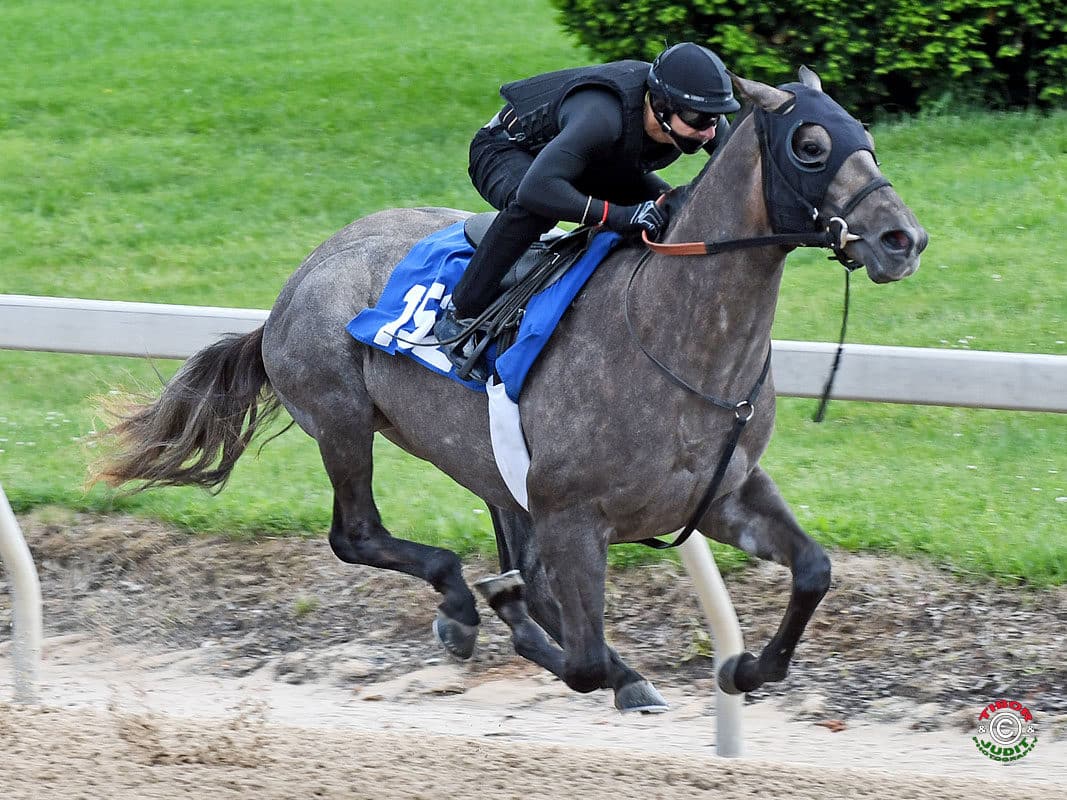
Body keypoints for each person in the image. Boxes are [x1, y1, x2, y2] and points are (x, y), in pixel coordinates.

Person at [434, 42, 741, 377]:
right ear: (662, 106)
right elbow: (538, 188)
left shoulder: (695, 117)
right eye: (699, 119)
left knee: (672, 208)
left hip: (592, 161)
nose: (710, 131)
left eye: (717, 117)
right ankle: (460, 313)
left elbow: (736, 171)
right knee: (536, 209)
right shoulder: (601, 115)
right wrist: (619, 216)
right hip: (506, 152)